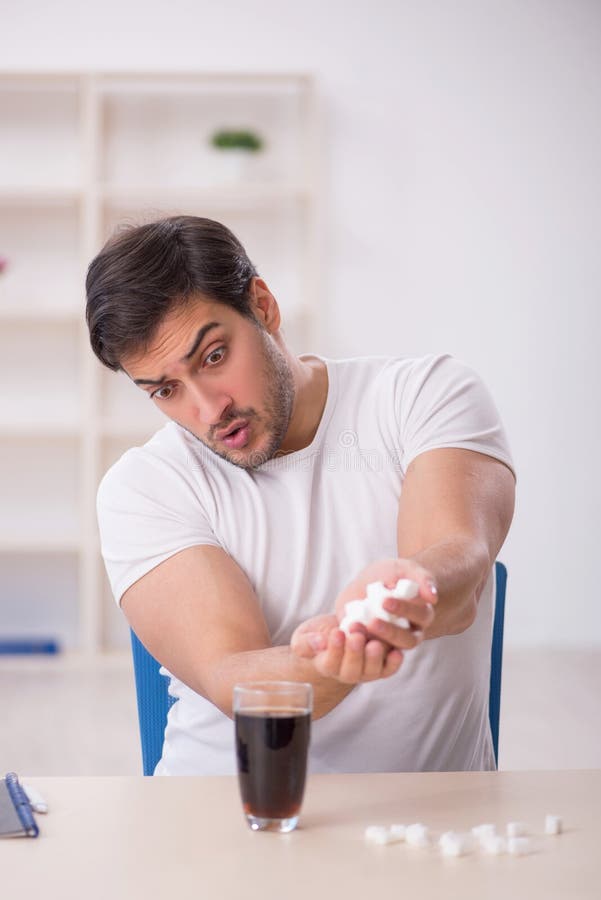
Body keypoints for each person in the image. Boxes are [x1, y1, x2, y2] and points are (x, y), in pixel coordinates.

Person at [86, 215, 515, 776]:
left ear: (263, 306)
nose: (209, 409)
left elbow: (461, 565)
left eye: (213, 356)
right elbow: (233, 677)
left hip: (431, 819)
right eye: (166, 390)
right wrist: (345, 646)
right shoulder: (144, 486)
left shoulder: (424, 395)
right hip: (221, 812)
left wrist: (401, 593)